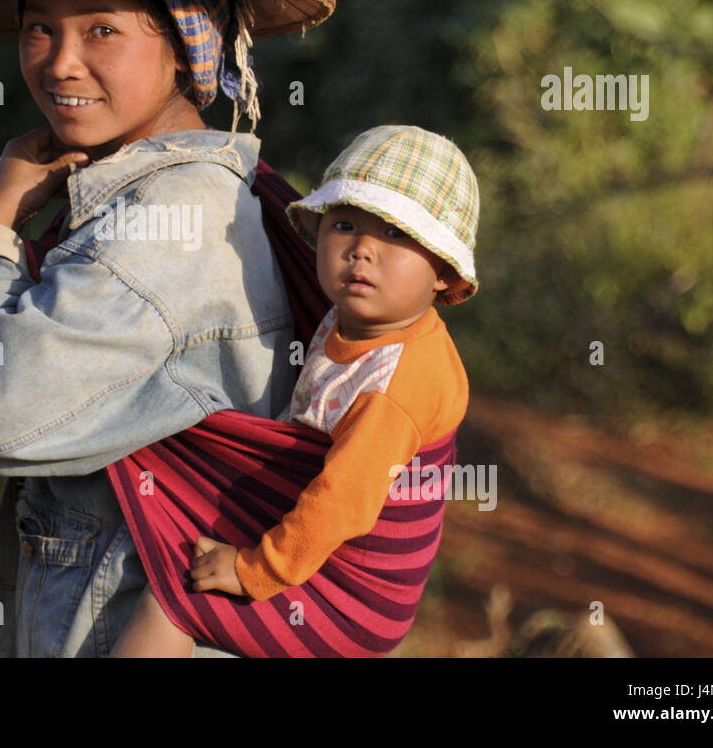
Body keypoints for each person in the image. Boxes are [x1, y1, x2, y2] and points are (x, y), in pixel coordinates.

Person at [0, 0, 335, 657]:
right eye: (38, 30)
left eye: (102, 28)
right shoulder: (158, 195)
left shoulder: (168, 223)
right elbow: (120, 469)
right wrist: (9, 581)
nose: (61, 64)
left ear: (187, 43)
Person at [108, 124, 479, 656]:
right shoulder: (358, 319)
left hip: (352, 600)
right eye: (345, 224)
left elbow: (345, 503)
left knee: (172, 599)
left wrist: (254, 571)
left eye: (396, 235)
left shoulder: (395, 385)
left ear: (444, 271)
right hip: (318, 552)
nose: (362, 251)